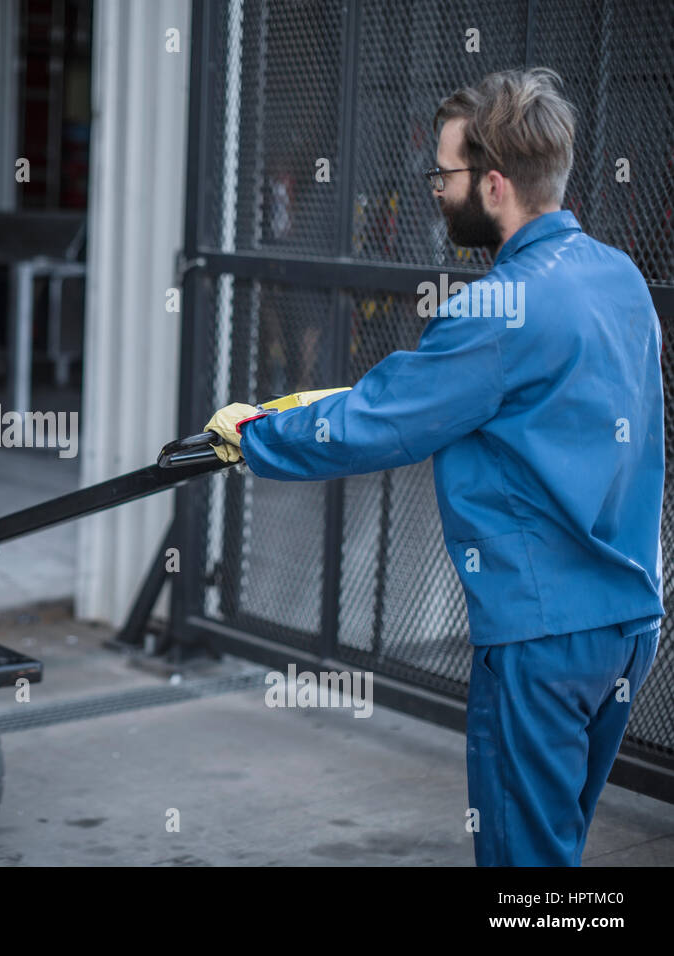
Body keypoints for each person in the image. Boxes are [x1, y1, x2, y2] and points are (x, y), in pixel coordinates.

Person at [204, 67, 664, 867]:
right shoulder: (617, 276)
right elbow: (483, 402)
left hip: (541, 639)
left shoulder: (499, 311)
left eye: (443, 175)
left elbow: (380, 422)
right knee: (558, 848)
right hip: (629, 623)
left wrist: (257, 438)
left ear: (494, 184)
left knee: (526, 869)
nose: (433, 192)